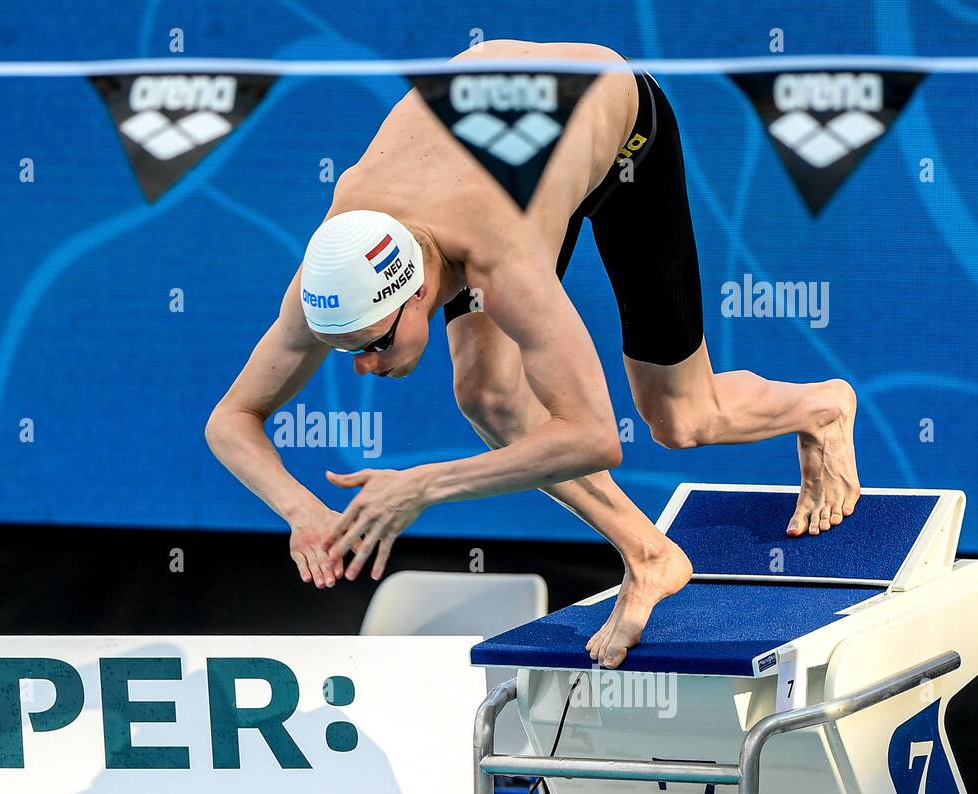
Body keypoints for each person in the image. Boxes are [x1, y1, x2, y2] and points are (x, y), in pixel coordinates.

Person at [206, 40, 860, 667]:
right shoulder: (336, 264)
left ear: (423, 289)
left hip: (618, 122)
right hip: (498, 141)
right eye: (347, 348)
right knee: (485, 394)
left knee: (684, 420)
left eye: (375, 345)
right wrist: (303, 513)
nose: (366, 367)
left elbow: (597, 439)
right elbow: (230, 420)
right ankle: (651, 555)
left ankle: (824, 408)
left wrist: (422, 486)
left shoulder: (501, 258)